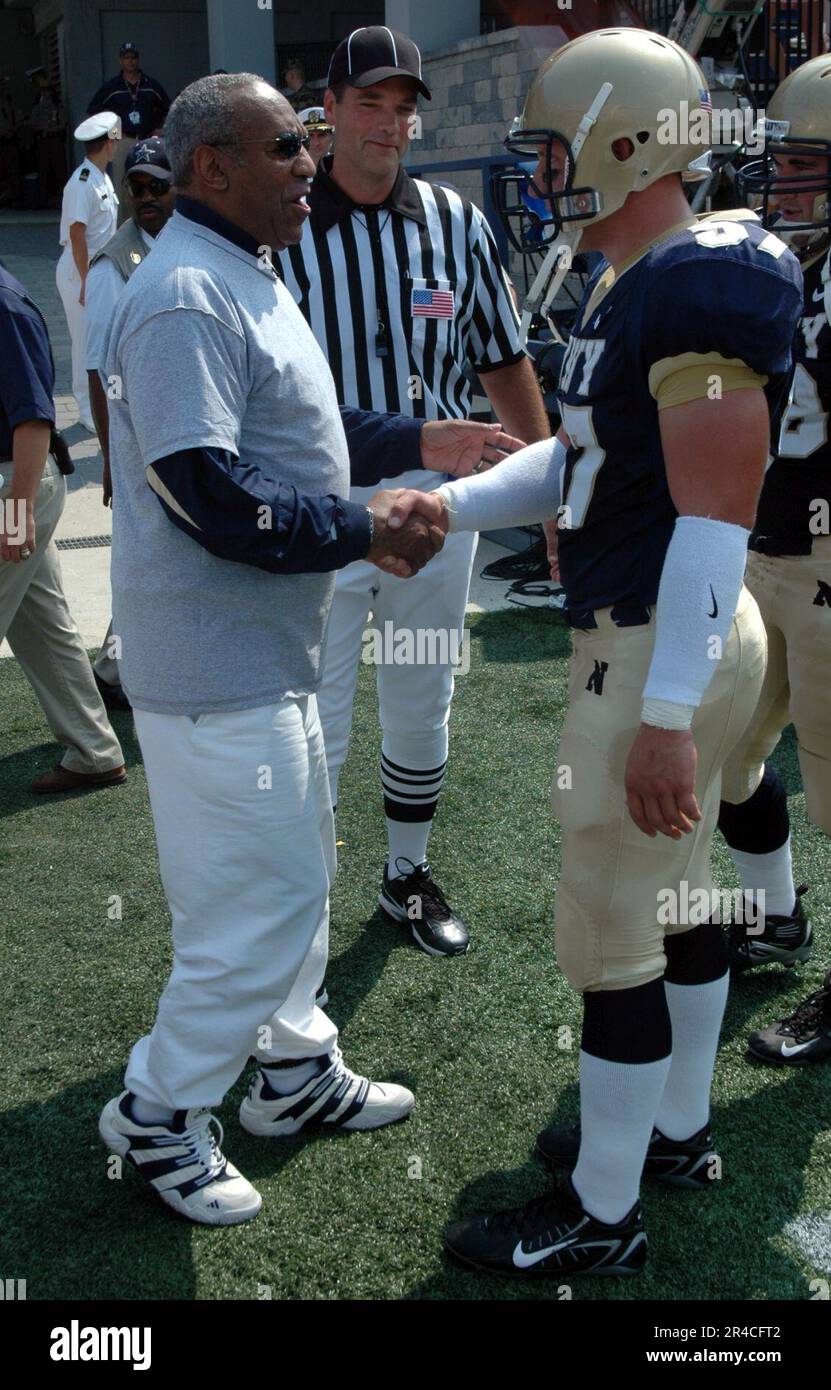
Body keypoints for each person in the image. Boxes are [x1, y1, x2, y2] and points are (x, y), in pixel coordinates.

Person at [385, 27, 802, 1277]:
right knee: (677, 905)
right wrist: (448, 504)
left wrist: (666, 711)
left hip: (657, 648)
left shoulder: (691, 282)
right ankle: (674, 1129)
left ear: (629, 142)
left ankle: (603, 1215)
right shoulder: (642, 275)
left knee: (613, 942)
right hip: (675, 637)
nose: (541, 175)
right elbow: (581, 457)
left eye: (557, 149)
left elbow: (717, 514)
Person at [97, 73, 520, 1227]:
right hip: (220, 663)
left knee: (287, 880)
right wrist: (368, 522)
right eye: (288, 142)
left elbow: (305, 437)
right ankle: (156, 1111)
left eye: (311, 139)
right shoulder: (190, 292)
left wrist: (417, 439)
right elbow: (209, 491)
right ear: (211, 168)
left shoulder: (246, 270)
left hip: (254, 655)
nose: (310, 159)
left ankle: (290, 1072)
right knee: (263, 906)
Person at [278, 27, 549, 957]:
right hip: (324, 504)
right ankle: (300, 909)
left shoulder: (454, 223)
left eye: (403, 109)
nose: (389, 126)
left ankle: (404, 874)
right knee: (315, 719)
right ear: (331, 110)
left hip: (439, 507)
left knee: (422, 695)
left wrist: (550, 486)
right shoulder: (283, 226)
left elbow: (503, 360)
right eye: (370, 105)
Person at [720, 53, 831, 1066]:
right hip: (767, 548)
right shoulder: (788, 262)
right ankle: (780, 915)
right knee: (727, 745)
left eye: (806, 162)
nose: (783, 182)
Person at [0, 263, 126, 793]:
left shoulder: (4, 304)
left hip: (14, 485)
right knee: (42, 623)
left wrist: (16, 512)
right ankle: (95, 749)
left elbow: (33, 419)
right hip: (19, 486)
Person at [85, 135, 177, 711]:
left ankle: (118, 665)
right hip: (140, 433)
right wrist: (113, 459)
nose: (145, 197)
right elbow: (98, 371)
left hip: (182, 424)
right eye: (136, 188)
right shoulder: (113, 265)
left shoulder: (192, 243)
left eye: (156, 186)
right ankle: (118, 668)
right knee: (148, 554)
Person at [56, 112, 120, 431]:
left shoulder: (101, 176)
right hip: (80, 269)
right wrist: (85, 282)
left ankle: (101, 401)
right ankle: (84, 408)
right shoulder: (82, 181)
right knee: (83, 341)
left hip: (97, 268)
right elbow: (77, 234)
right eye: (116, 140)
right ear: (109, 142)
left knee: (101, 338)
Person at [87, 42, 170, 217]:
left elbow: (169, 109)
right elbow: (94, 112)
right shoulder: (113, 87)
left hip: (147, 139)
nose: (130, 61)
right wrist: (114, 134)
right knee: (124, 184)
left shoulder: (150, 84)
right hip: (124, 140)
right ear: (120, 61)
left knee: (150, 181)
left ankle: (152, 223)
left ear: (138, 60)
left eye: (133, 57)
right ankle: (125, 227)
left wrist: (160, 130)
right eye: (126, 58)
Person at [28, 71, 67, 209]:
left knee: (59, 171)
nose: (45, 93)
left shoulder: (57, 107)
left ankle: (62, 199)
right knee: (43, 171)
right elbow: (32, 122)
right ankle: (42, 200)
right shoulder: (37, 107)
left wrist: (50, 129)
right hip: (43, 142)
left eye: (47, 90)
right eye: (42, 90)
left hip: (55, 140)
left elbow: (62, 123)